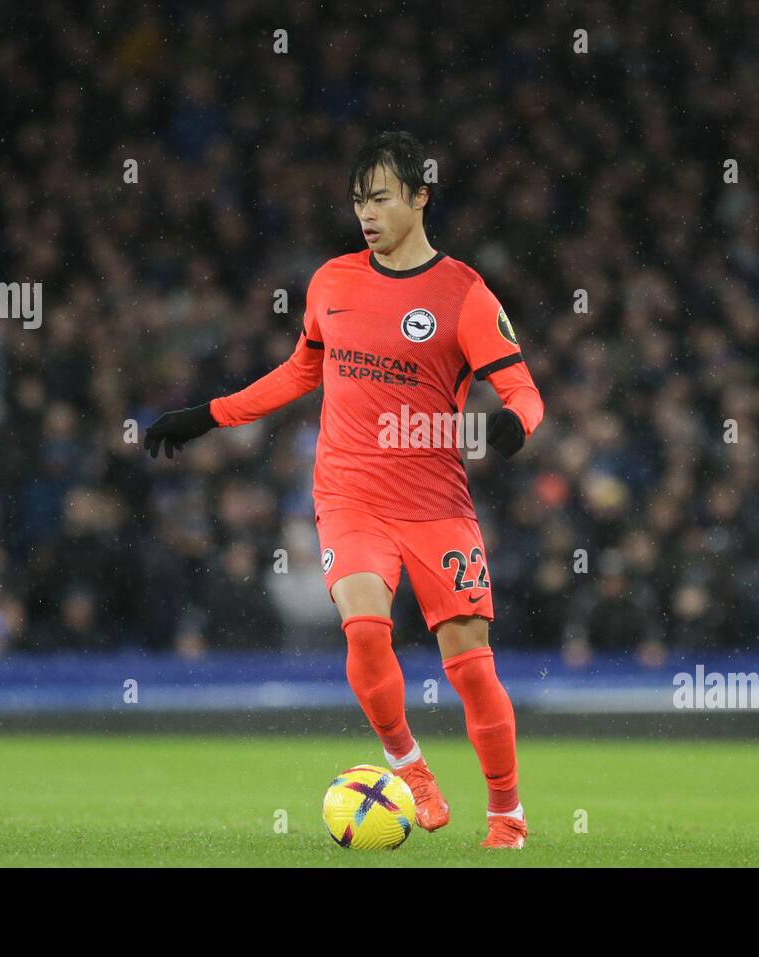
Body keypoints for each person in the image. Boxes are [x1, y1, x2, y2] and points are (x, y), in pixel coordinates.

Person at [144, 131, 544, 848]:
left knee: (472, 667)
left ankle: (507, 816)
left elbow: (523, 389)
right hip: (348, 494)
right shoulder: (331, 282)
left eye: (382, 197)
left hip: (436, 503)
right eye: (359, 200)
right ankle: (408, 765)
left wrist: (513, 424)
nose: (367, 212)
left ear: (421, 197)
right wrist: (209, 414)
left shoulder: (464, 293)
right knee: (363, 629)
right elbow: (300, 371)